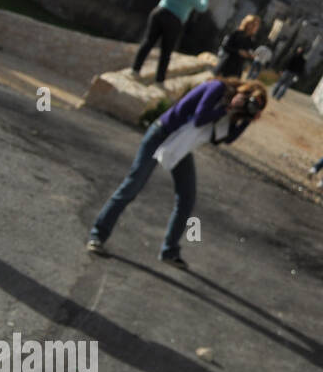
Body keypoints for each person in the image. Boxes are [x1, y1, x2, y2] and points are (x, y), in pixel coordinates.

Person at [87, 78, 268, 269]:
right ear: (245, 91)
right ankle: (97, 236)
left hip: (180, 146)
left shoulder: (230, 107)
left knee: (187, 198)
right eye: (252, 101)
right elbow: (200, 117)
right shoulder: (218, 88)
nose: (250, 106)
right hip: (162, 134)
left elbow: (225, 138)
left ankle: (169, 251)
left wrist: (246, 120)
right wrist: (227, 108)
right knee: (132, 186)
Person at [130, 0, 209, 84]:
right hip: (174, 21)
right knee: (166, 51)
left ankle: (135, 69)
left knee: (148, 42)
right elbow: (202, 8)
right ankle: (159, 80)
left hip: (158, 13)